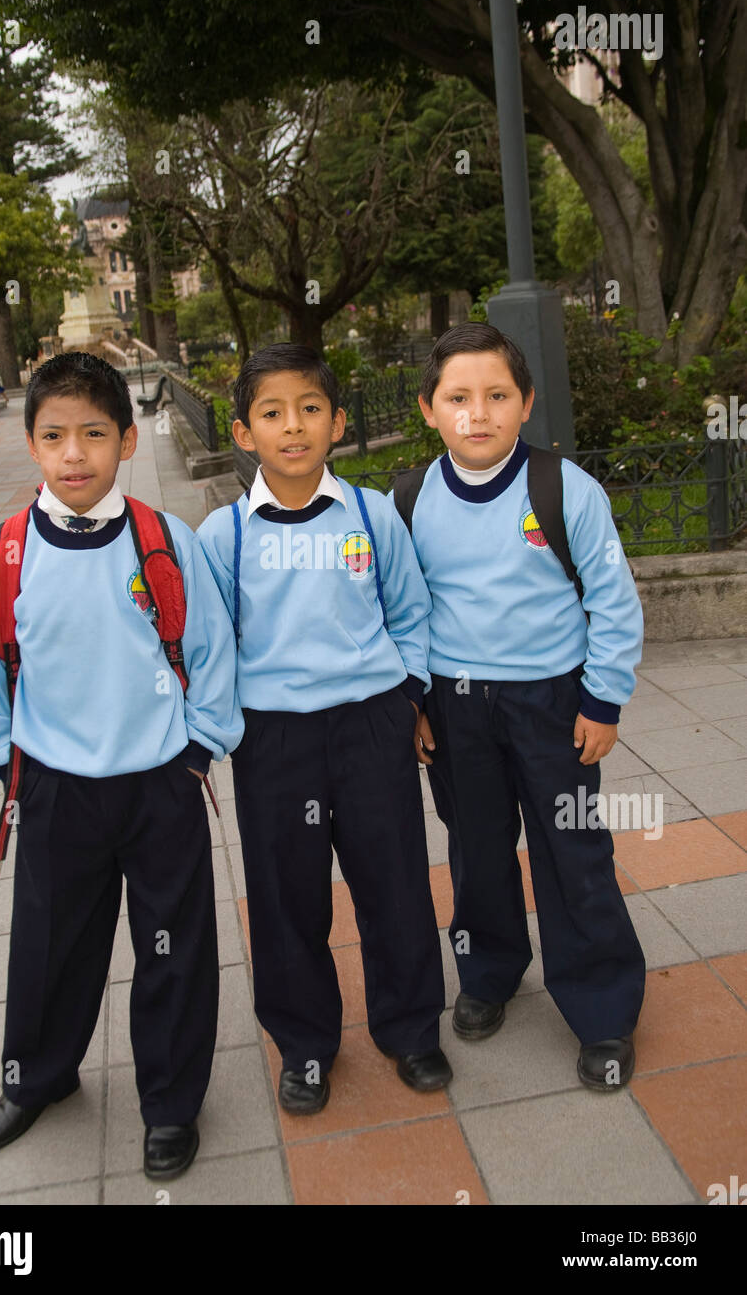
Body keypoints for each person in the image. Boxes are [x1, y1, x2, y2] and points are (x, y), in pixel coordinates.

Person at [0, 352, 242, 1179]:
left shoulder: (163, 540)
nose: (73, 454)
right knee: (48, 946)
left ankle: (172, 1104)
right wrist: (4, 766)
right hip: (52, 785)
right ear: (32, 445)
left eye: (92, 434)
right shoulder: (4, 553)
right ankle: (36, 1077)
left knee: (173, 949)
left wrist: (199, 749)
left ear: (123, 439)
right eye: (53, 436)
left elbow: (213, 654)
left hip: (160, 783)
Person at [196, 343, 450, 1115]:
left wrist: (408, 697)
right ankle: (304, 1045)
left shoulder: (372, 515)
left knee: (396, 881)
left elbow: (410, 613)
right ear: (244, 432)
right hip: (273, 741)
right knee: (284, 898)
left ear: (338, 421)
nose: (293, 427)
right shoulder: (223, 538)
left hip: (372, 727)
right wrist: (216, 738)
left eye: (310, 409)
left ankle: (410, 1029)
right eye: (272, 413)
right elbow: (209, 648)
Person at [400, 322, 645, 1090]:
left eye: (497, 396)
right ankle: (488, 973)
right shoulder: (407, 499)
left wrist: (602, 702)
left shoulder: (564, 488)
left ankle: (603, 1009)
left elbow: (613, 600)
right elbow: (398, 612)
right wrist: (414, 703)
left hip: (551, 703)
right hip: (455, 707)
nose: (479, 413)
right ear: (428, 409)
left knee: (572, 851)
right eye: (459, 398)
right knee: (475, 850)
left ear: (526, 403)